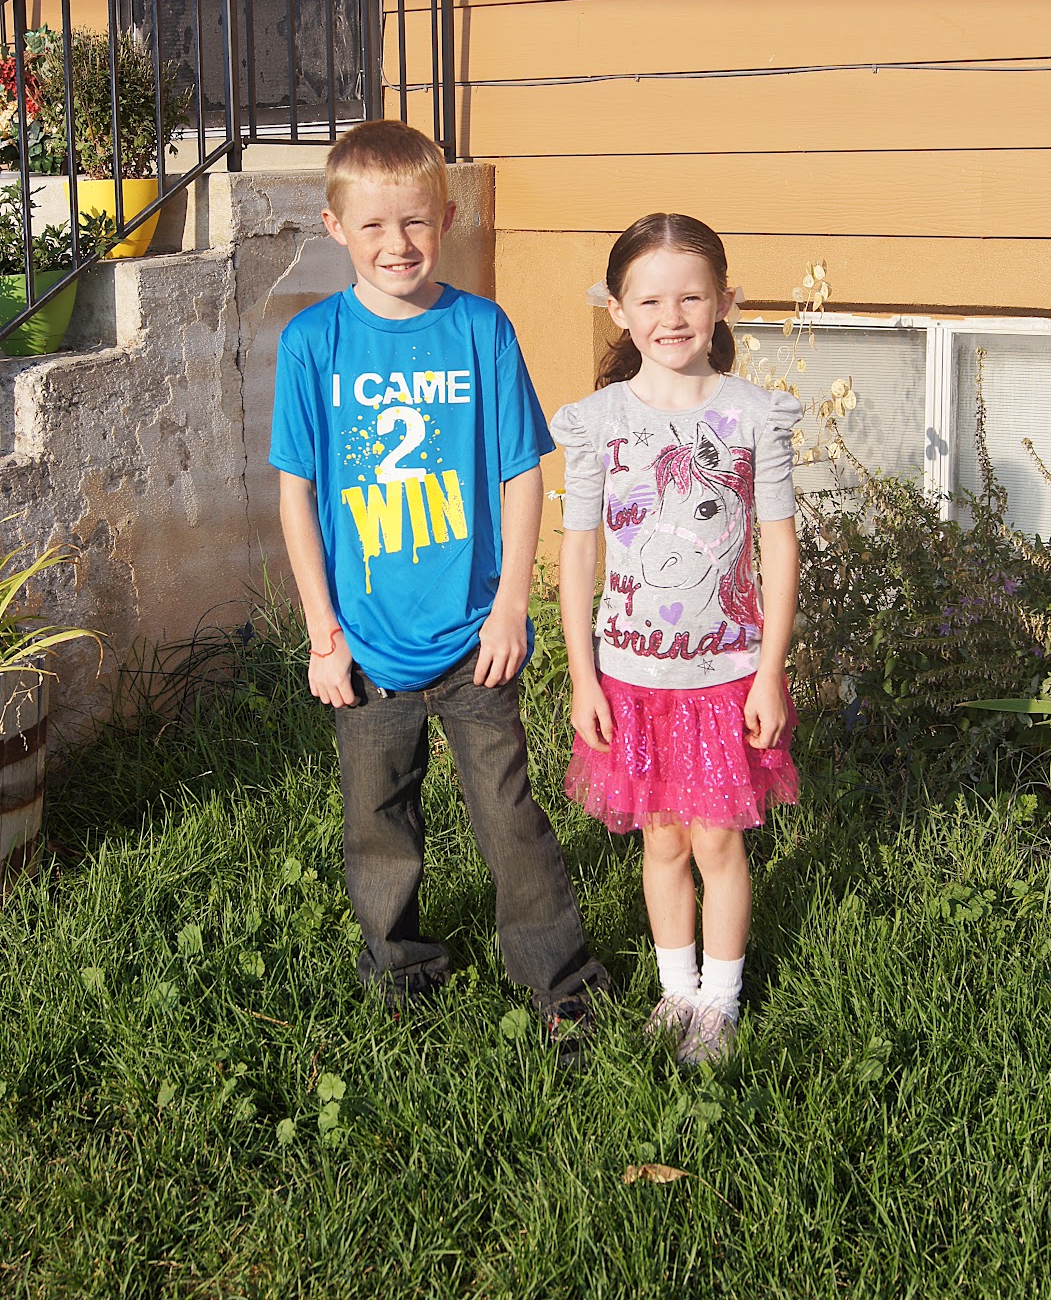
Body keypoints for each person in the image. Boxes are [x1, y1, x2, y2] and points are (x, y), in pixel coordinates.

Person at [269, 119, 609, 1053]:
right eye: (373, 227)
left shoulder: (477, 329)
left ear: (447, 218)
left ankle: (561, 982)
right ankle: (400, 970)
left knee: (508, 817)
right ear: (334, 226)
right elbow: (297, 497)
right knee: (377, 823)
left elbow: (521, 473)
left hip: (474, 638)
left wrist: (509, 608)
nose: (397, 246)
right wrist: (321, 633)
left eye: (415, 223)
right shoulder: (313, 342)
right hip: (365, 644)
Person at [550, 212, 800, 1064]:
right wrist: (584, 677)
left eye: (691, 296)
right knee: (661, 837)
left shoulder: (755, 417)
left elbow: (776, 545)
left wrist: (769, 673)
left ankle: (721, 1003)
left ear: (724, 301)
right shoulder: (595, 422)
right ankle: (675, 990)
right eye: (649, 299)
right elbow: (576, 550)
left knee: (718, 838)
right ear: (618, 310)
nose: (672, 316)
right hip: (630, 676)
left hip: (727, 674)